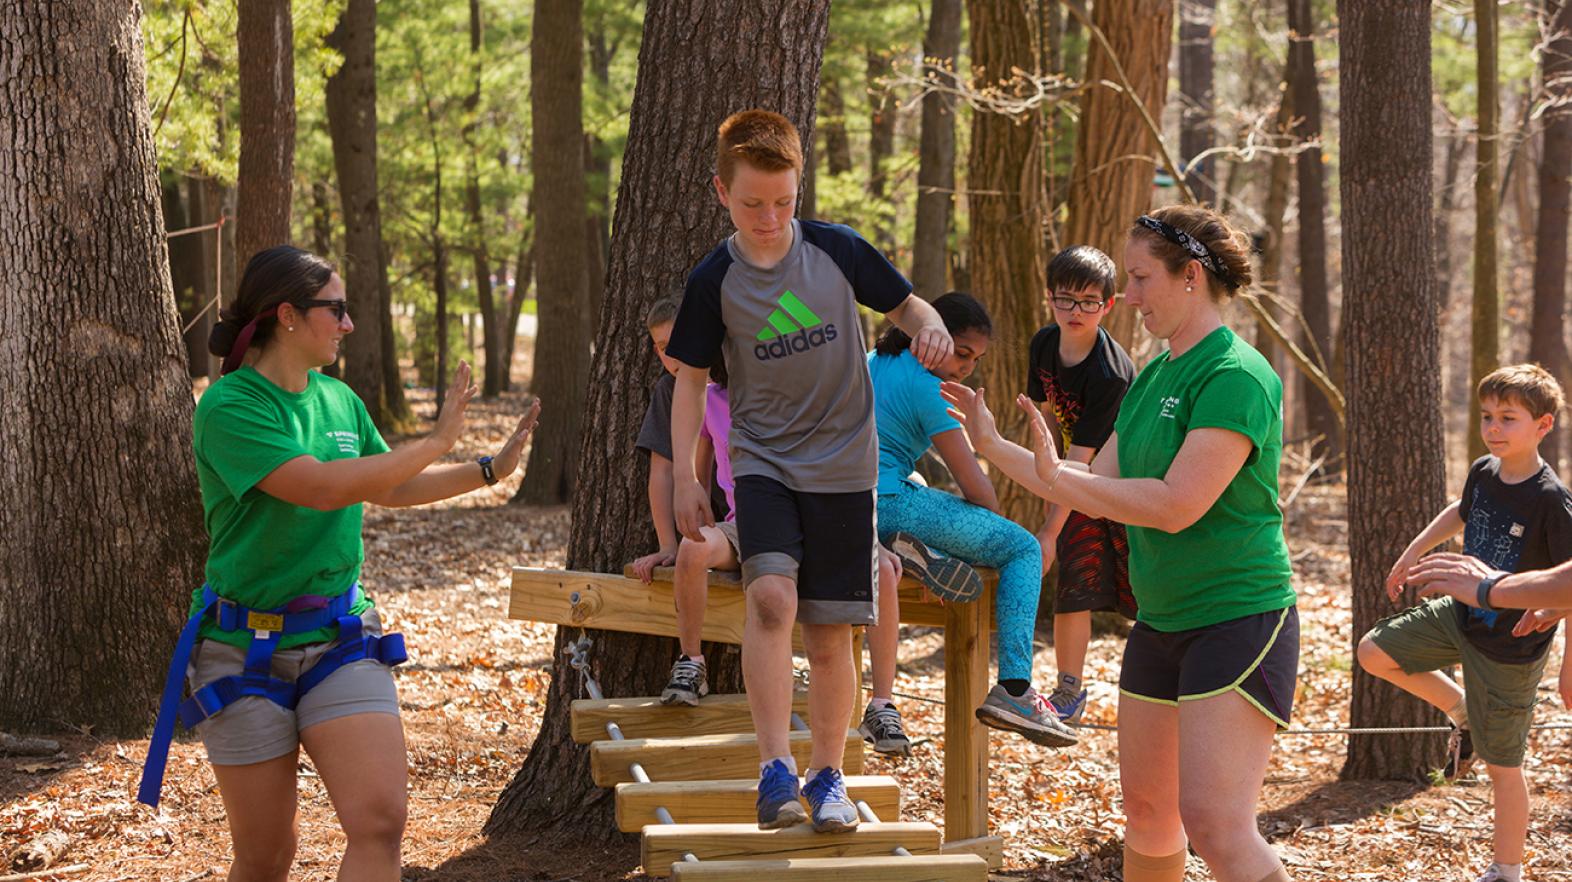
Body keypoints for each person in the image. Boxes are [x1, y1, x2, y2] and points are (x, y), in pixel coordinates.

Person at [138, 246, 540, 882]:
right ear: (289, 316)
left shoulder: (341, 400)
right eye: (338, 309)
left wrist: (487, 470)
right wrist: (434, 440)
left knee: (380, 822)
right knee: (268, 855)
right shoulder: (230, 407)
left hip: (338, 640)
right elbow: (322, 486)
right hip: (242, 650)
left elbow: (386, 484)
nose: (348, 324)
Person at [943, 205, 1298, 882]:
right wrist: (991, 445)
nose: (1126, 298)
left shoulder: (1236, 374)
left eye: (1139, 279)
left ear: (1190, 276)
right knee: (1148, 814)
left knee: (1217, 827)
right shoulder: (1156, 375)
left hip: (1239, 617)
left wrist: (1055, 476)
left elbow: (1175, 505)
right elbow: (1087, 484)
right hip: (1162, 621)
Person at [665, 109, 953, 833]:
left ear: (801, 189)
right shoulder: (714, 278)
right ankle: (772, 771)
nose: (769, 218)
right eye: (751, 202)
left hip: (846, 469)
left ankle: (828, 775)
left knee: (830, 634)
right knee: (769, 598)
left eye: (783, 201)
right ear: (720, 193)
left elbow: (908, 304)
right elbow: (692, 379)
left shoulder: (837, 250)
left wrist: (931, 328)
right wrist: (684, 478)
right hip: (763, 461)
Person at [634, 317, 910, 756]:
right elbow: (698, 467)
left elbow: (851, 472)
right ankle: (691, 663)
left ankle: (882, 704)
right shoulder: (709, 400)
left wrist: (870, 539)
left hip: (818, 520)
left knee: (882, 568)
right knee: (693, 548)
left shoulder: (811, 396)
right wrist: (688, 521)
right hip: (748, 523)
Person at [1359, 364, 1572, 882]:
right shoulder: (1483, 470)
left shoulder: (1552, 500)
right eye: (1487, 417)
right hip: (1460, 616)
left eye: (1508, 418)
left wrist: (1568, 666)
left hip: (1511, 649)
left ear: (1543, 426)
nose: (1494, 428)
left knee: (1504, 770)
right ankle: (1462, 711)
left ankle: (1506, 870)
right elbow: (1462, 508)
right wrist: (1414, 551)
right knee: (1373, 651)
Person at [869, 291, 1076, 748]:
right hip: (892, 503)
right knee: (1021, 547)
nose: (965, 367)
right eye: (961, 352)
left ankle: (927, 554)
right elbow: (974, 484)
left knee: (920, 480)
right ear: (929, 334)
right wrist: (994, 537)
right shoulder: (931, 388)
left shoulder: (873, 360)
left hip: (857, 510)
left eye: (975, 359)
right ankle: (1016, 689)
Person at [1026, 246, 1137, 722]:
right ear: (1049, 298)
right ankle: (1069, 689)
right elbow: (1047, 420)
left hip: (1126, 479)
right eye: (1065, 300)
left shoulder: (1109, 372)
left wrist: (1048, 529)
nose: (1076, 312)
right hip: (1076, 475)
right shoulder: (1043, 344)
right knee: (1076, 569)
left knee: (1138, 584)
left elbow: (1081, 458)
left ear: (1108, 305)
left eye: (1089, 302)